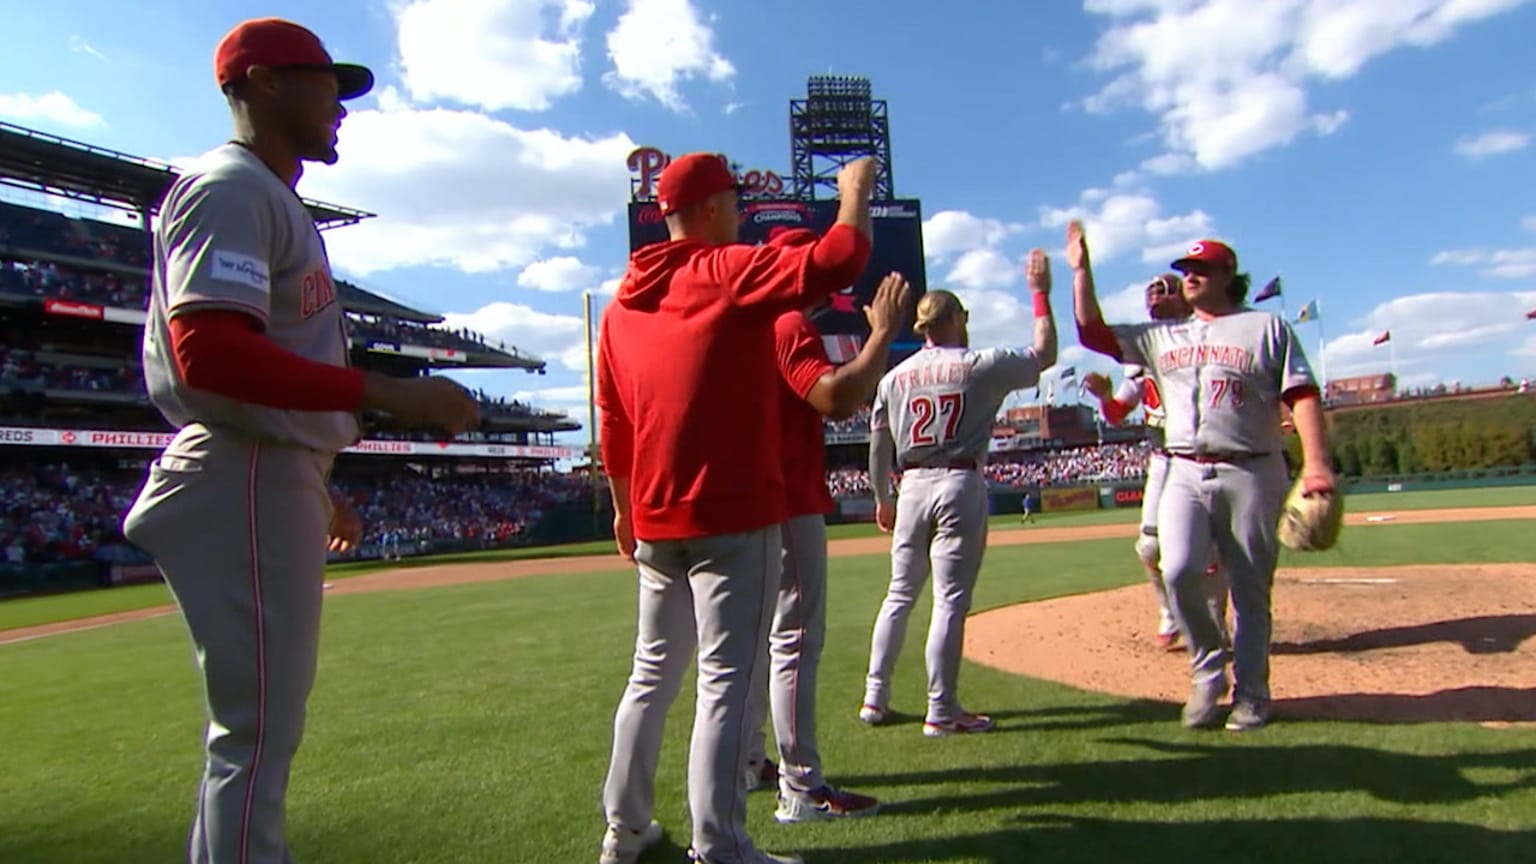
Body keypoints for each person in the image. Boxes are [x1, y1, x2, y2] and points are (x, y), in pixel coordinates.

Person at [121, 18, 479, 864]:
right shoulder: (230, 185)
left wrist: (317, 477)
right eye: (325, 82)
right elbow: (210, 347)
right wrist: (392, 392)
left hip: (267, 467)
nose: (341, 104)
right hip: (240, 467)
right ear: (261, 83)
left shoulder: (267, 196)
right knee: (256, 732)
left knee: (254, 734)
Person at [595, 153, 877, 864]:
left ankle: (624, 831)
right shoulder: (724, 267)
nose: (743, 215)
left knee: (652, 673)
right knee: (729, 680)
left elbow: (614, 424)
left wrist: (624, 510)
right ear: (715, 208)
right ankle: (719, 845)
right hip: (731, 510)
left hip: (656, 513)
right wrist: (854, 191)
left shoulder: (621, 303)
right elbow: (839, 259)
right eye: (735, 203)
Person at [1069, 221, 1336, 732]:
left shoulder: (1266, 328)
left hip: (1253, 469)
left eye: (1199, 269)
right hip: (1184, 468)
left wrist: (1317, 462)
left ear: (1227, 274)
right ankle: (1207, 671)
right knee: (1176, 571)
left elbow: (1301, 395)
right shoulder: (1161, 336)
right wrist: (1081, 271)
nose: (1189, 276)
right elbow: (1091, 332)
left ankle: (1253, 695)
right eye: (1185, 270)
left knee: (1250, 590)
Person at [741, 226, 912, 823]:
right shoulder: (788, 323)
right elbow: (835, 397)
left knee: (756, 643)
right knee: (794, 640)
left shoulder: (750, 326)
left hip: (759, 500)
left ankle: (747, 761)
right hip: (787, 499)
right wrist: (884, 335)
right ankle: (802, 786)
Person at [859, 250, 1058, 736]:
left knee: (899, 595)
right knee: (949, 600)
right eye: (963, 316)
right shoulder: (978, 364)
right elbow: (1045, 354)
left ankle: (874, 698)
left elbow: (878, 443)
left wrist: (881, 496)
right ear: (952, 319)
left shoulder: (893, 376)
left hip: (910, 487)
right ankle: (942, 710)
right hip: (958, 480)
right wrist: (1039, 293)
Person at [1081, 274, 1227, 652]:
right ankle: (1168, 612)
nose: (1157, 297)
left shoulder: (1204, 339)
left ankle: (1215, 620)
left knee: (1211, 552)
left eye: (1167, 290)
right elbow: (1117, 413)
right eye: (1153, 292)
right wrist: (1105, 395)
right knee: (1149, 547)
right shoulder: (1144, 350)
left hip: (1207, 452)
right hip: (1163, 456)